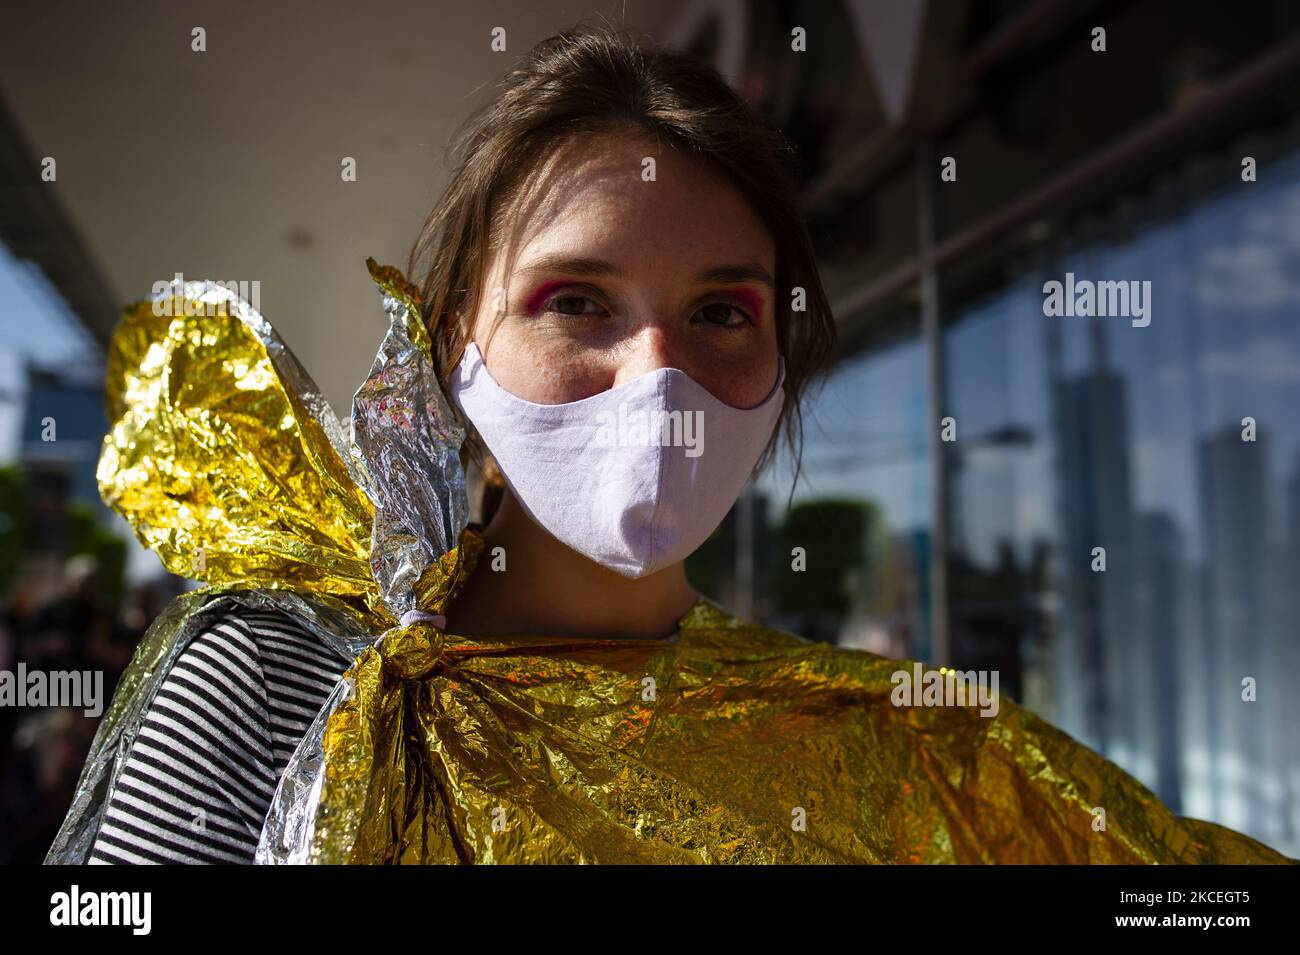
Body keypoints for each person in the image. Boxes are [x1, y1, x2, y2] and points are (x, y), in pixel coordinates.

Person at [66, 24, 1292, 865]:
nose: (658, 380)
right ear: (453, 348)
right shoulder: (285, 681)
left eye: (720, 312)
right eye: (576, 301)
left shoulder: (888, 748)